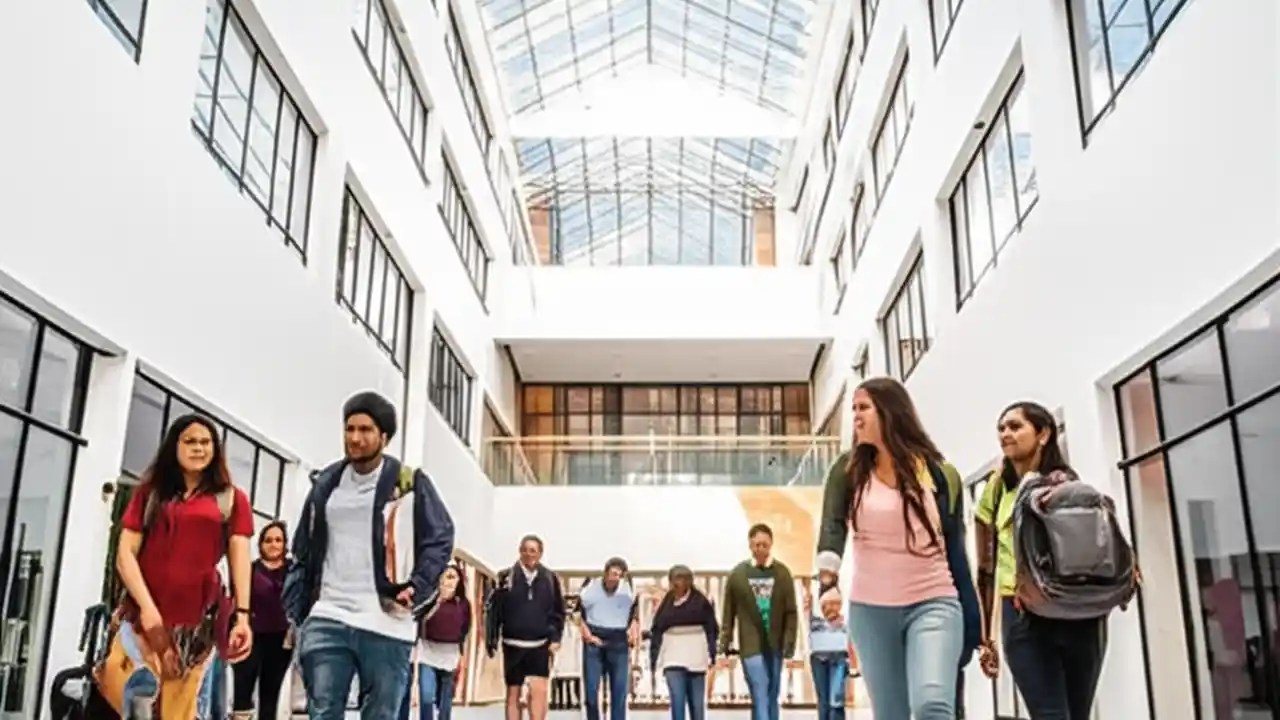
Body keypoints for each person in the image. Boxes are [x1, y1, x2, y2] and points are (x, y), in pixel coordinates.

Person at [283, 391, 456, 720]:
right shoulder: (326, 483)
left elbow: (440, 538)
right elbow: (303, 545)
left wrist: (417, 586)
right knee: (322, 712)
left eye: (365, 430)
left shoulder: (409, 484)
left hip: (387, 621)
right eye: (349, 429)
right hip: (328, 614)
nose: (355, 438)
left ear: (384, 437)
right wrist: (298, 600)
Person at [814, 377, 970, 720]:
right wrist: (828, 585)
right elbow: (832, 528)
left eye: (863, 407)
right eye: (853, 408)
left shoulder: (938, 472)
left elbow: (956, 549)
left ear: (889, 411)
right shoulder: (847, 470)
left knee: (932, 705)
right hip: (872, 610)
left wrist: (974, 620)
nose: (855, 416)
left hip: (934, 600)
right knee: (891, 713)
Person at [107, 413, 255, 718]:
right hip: (140, 619)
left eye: (206, 442)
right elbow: (125, 555)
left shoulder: (231, 499)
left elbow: (240, 558)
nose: (198, 448)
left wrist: (242, 617)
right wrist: (148, 610)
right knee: (126, 697)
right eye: (190, 441)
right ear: (174, 447)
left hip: (195, 627)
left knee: (180, 711)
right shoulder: (150, 494)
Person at [975, 401, 1108, 719]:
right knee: (1050, 714)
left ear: (1044, 433)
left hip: (1080, 614)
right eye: (1001, 428)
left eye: (1015, 426)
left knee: (1078, 714)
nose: (1006, 433)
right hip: (1024, 615)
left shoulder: (1069, 485)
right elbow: (985, 568)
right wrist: (986, 637)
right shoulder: (997, 490)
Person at [717, 523, 798, 720]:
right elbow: (728, 613)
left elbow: (791, 613)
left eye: (764, 545)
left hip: (775, 644)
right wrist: (723, 645)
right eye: (756, 545)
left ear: (771, 544)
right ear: (750, 545)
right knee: (759, 688)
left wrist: (789, 645)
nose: (760, 549)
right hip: (750, 644)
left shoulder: (782, 574)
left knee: (772, 693)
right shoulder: (738, 575)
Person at [485, 535, 566, 720]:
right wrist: (491, 639)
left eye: (533, 550)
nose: (529, 554)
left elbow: (558, 611)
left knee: (539, 691)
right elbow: (494, 611)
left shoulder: (550, 578)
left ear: (540, 553)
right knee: (513, 692)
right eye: (525, 550)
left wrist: (555, 638)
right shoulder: (505, 577)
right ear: (519, 551)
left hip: (539, 644)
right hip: (512, 644)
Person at [231, 521, 294, 719]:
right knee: (243, 688)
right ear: (260, 544)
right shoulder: (249, 570)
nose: (273, 544)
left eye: (278, 540)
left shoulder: (293, 572)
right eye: (268, 540)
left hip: (281, 640)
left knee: (270, 693)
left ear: (285, 544)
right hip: (250, 635)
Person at [400, 562, 470, 720]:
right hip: (428, 654)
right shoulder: (430, 599)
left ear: (459, 581)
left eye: (452, 577)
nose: (448, 581)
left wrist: (462, 658)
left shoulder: (463, 604)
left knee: (445, 701)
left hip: (450, 657)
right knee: (426, 696)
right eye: (445, 577)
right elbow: (418, 616)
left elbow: (465, 629)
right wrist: (437, 600)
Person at [647, 565, 717, 720]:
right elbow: (657, 630)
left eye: (683, 579)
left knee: (697, 707)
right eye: (675, 579)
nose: (678, 583)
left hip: (696, 657)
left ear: (689, 582)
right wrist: (653, 658)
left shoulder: (701, 603)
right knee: (677, 702)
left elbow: (712, 629)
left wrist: (713, 654)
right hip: (673, 657)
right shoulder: (667, 604)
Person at [579, 557, 638, 720]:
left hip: (618, 640)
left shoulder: (628, 590)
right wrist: (587, 634)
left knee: (619, 692)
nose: (615, 579)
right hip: (594, 638)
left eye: (619, 575)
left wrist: (634, 632)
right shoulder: (590, 586)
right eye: (613, 574)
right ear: (605, 573)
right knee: (591, 691)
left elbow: (634, 615)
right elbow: (577, 613)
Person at [808, 587, 849, 720]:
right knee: (823, 701)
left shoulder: (844, 622)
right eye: (827, 604)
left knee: (836, 700)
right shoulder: (815, 622)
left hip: (839, 660)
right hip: (818, 660)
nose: (831, 607)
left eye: (835, 604)